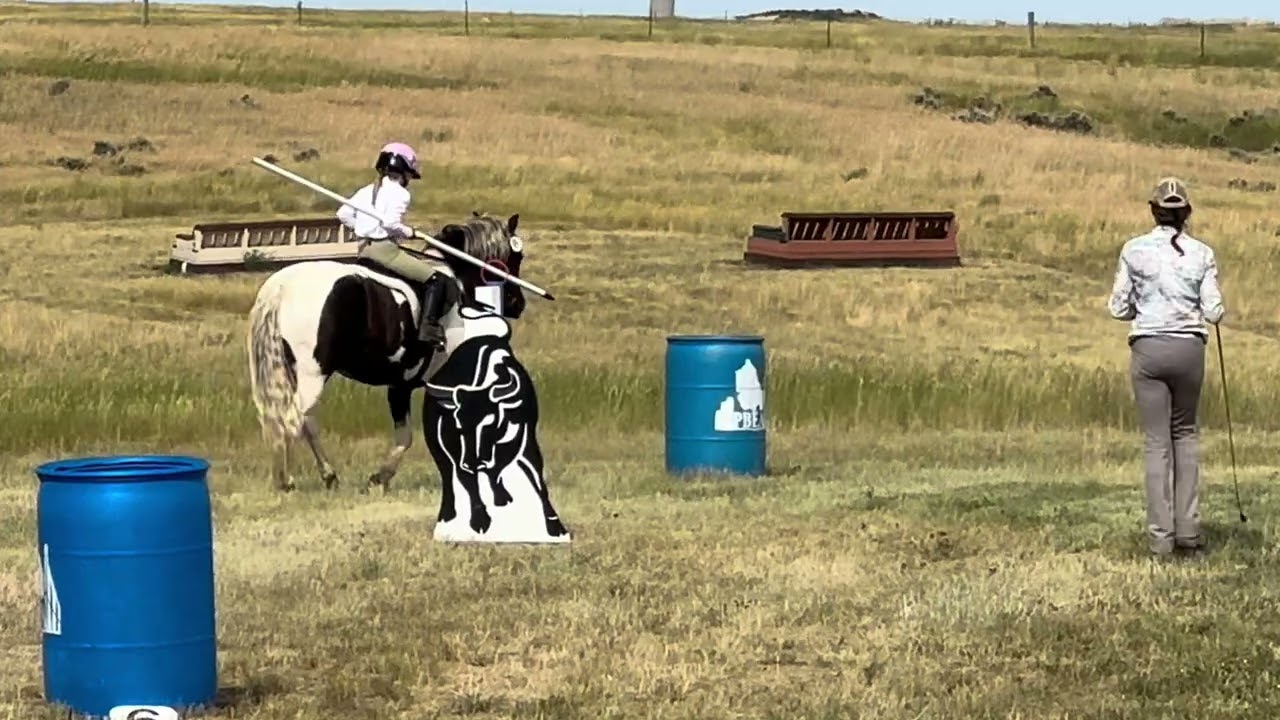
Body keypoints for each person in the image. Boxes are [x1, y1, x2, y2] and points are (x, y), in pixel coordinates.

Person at [1107, 176, 1225, 558]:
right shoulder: (1202, 253)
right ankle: (1189, 533)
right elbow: (1213, 310)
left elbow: (1118, 307)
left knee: (1157, 443)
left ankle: (1160, 538)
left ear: (1154, 211)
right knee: (1185, 436)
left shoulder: (1133, 250)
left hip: (1149, 348)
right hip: (1189, 348)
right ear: (1186, 213)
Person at [337, 141, 453, 347]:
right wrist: (411, 232)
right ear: (404, 170)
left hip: (364, 250)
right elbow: (391, 224)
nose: (409, 179)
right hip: (385, 251)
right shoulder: (400, 193)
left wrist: (363, 228)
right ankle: (428, 329)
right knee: (437, 280)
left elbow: (343, 214)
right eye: (409, 174)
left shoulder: (365, 190)